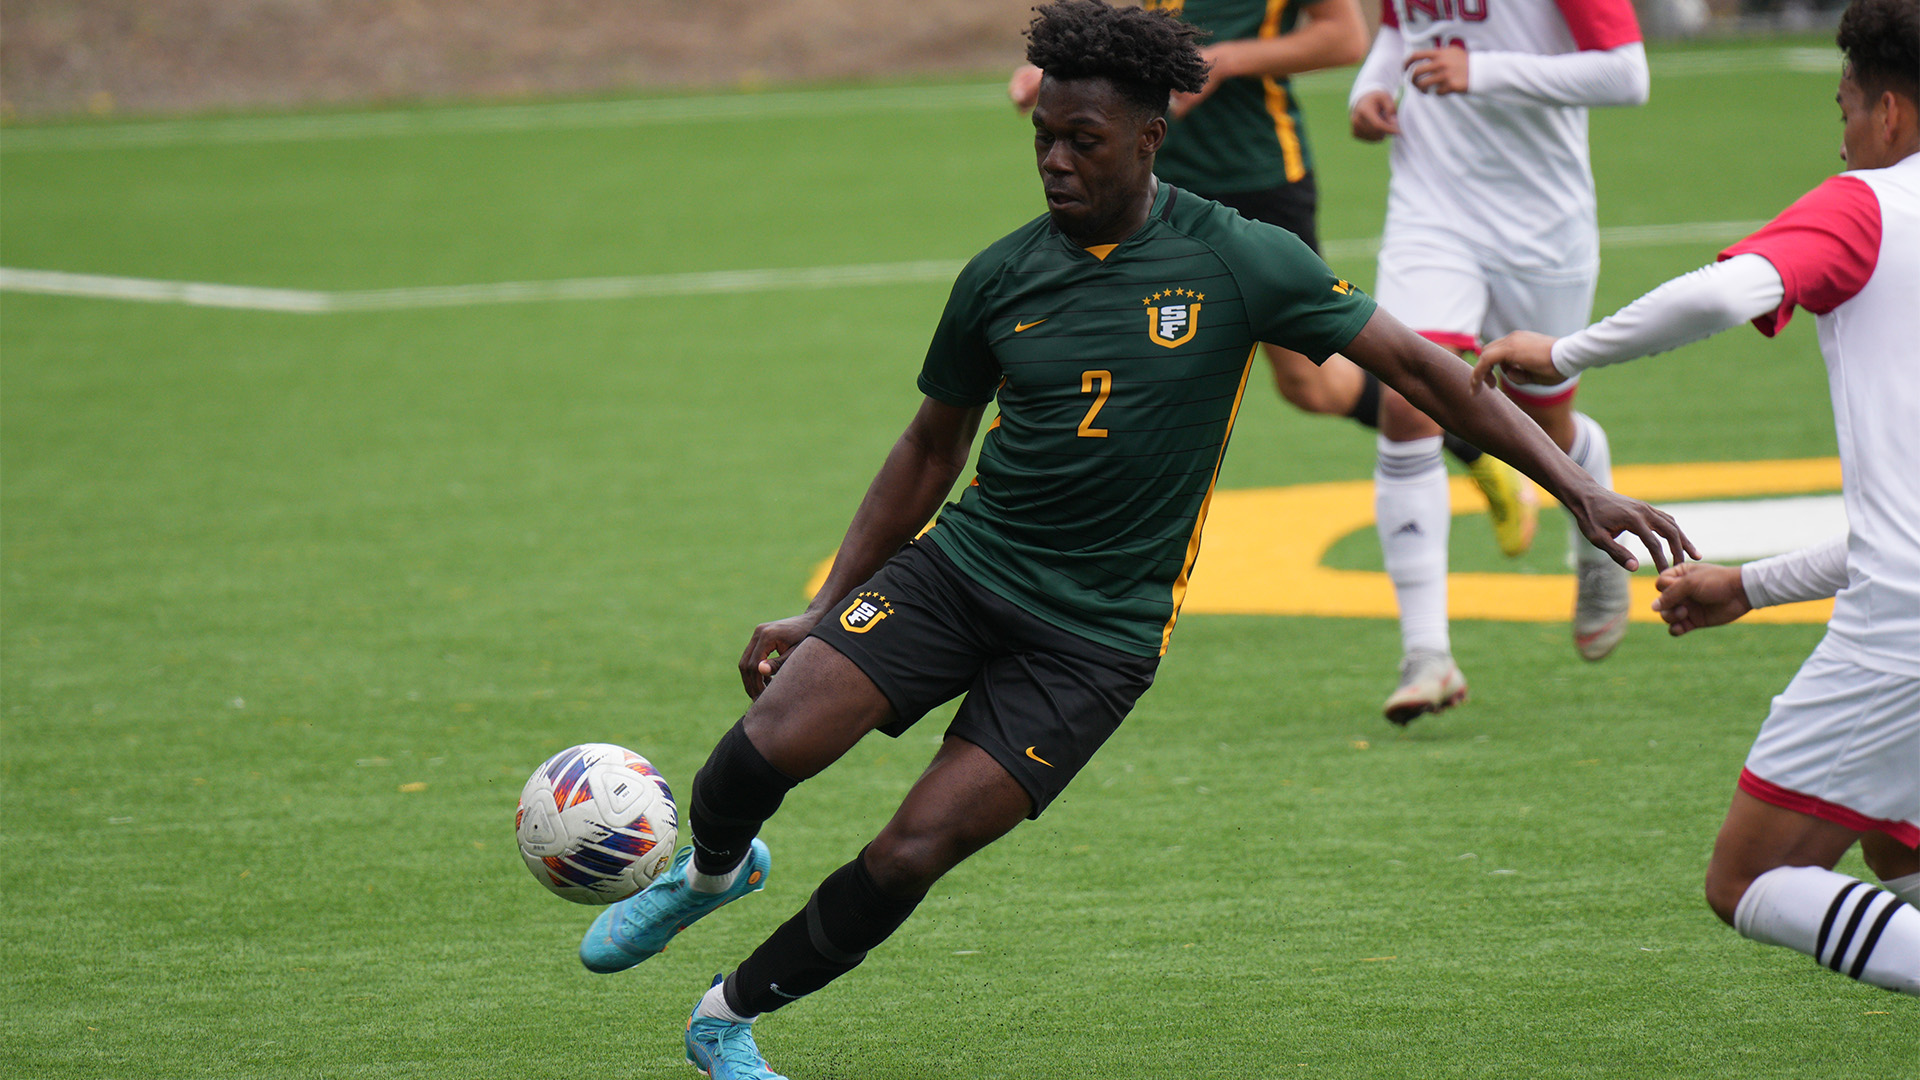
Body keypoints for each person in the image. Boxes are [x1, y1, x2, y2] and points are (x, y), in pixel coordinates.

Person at [577, 4, 1692, 1076]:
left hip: (1095, 641)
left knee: (913, 850)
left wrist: (1577, 488)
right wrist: (828, 602)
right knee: (770, 737)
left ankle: (728, 1020)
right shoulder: (1001, 275)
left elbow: (1421, 371)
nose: (1056, 161)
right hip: (963, 572)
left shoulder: (1242, 259)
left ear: (1151, 140)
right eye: (1043, 139)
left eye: (1083, 140)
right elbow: (928, 450)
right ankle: (713, 871)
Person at [1474, 0, 1919, 995]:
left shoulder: (1871, 203)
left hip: (1904, 634)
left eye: (1845, 110)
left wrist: (1564, 349)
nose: (1843, 135)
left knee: (1752, 877)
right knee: (1898, 855)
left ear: (1888, 115)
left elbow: (1726, 294)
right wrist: (1750, 587)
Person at [1012, 0, 1542, 725]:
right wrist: (1049, 74)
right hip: (1139, 187)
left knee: (1310, 381)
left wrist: (1225, 62)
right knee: (1238, 378)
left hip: (1256, 174)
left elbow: (1343, 36)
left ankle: (1461, 435)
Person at [1347, 0, 1652, 721]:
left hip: (1542, 224)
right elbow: (1400, 29)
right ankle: (1427, 654)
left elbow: (1627, 74)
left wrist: (1482, 71)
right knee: (1406, 396)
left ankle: (1591, 479)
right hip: (1431, 203)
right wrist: (1371, 87)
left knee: (1543, 426)